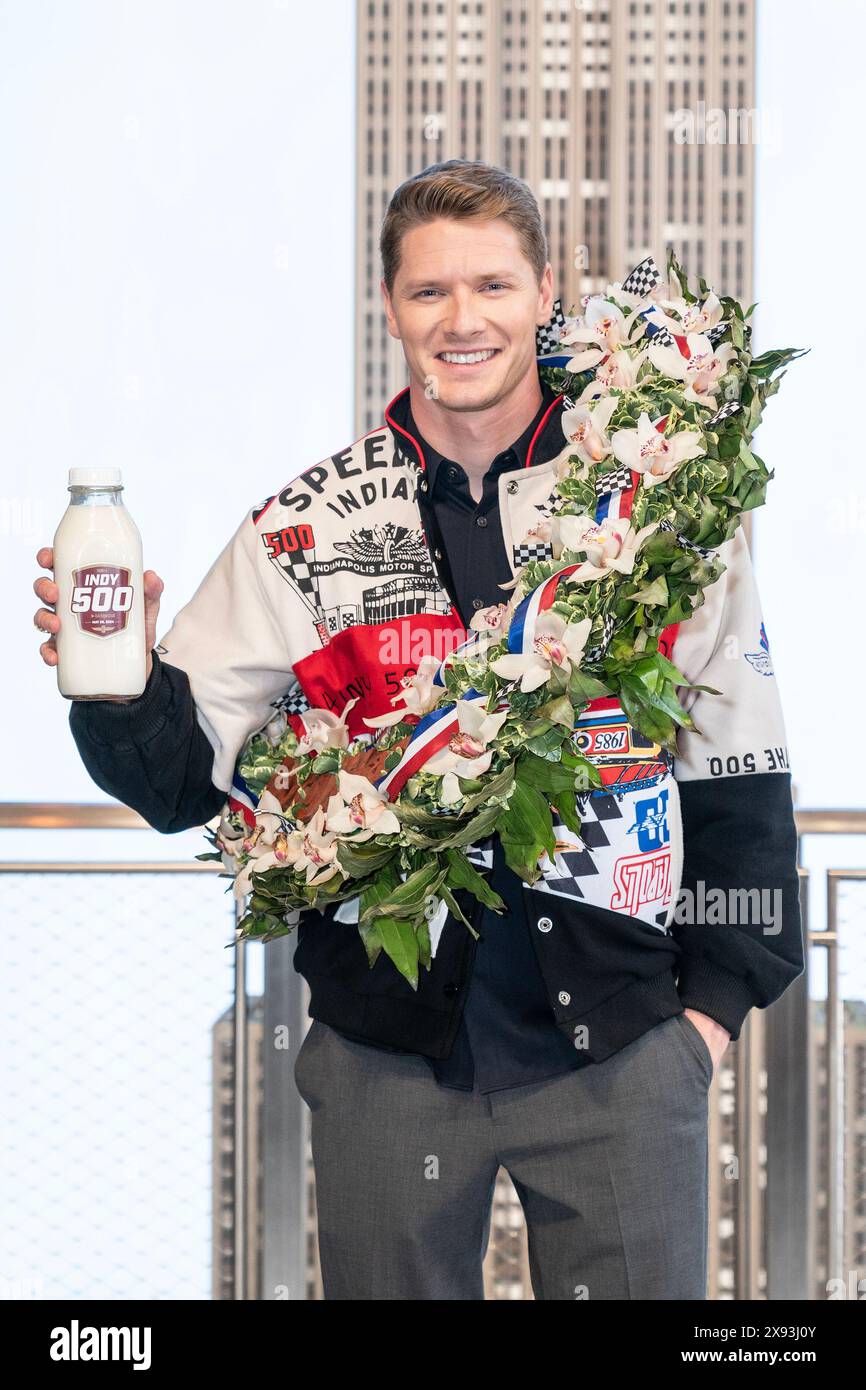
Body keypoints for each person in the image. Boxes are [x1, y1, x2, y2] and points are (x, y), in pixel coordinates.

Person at [33, 159, 804, 1301]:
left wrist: (703, 1025)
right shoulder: (301, 528)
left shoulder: (646, 500)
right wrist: (116, 680)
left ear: (546, 292)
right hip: (386, 1066)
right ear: (389, 307)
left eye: (491, 285)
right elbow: (180, 784)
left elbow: (737, 772)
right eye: (429, 291)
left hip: (627, 1054)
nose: (462, 319)